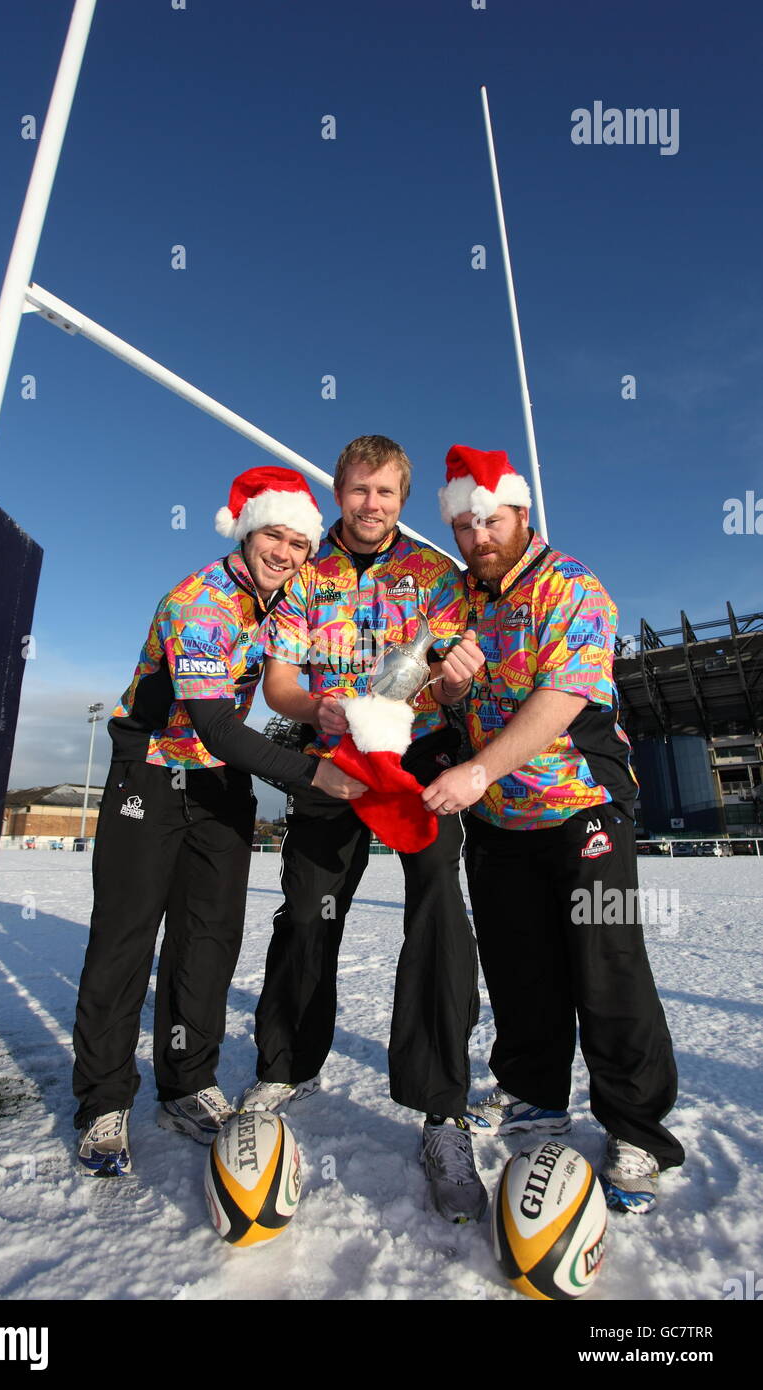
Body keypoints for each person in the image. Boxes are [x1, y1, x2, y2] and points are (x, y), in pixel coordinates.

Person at [73, 467, 364, 1176]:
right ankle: (104, 1101)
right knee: (127, 934)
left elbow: (344, 607)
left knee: (208, 936)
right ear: (246, 530)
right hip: (152, 770)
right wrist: (313, 772)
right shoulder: (200, 602)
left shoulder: (286, 595)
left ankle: (187, 1080)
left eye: (299, 541)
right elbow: (212, 723)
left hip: (218, 782)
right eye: (275, 535)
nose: (288, 551)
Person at [422, 444, 685, 1213]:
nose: (477, 536)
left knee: (607, 965)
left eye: (490, 519)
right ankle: (534, 1093)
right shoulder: (456, 603)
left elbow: (563, 698)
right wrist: (445, 684)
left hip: (581, 809)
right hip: (502, 821)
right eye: (464, 525)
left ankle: (636, 1128)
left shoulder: (572, 586)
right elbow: (421, 693)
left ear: (521, 514)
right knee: (517, 964)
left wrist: (476, 771)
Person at [241, 435, 487, 1223]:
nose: (371, 505)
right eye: (357, 490)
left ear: (402, 499)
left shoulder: (436, 577)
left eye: (385, 492)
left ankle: (442, 1106)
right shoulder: (304, 574)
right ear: (338, 490)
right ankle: (286, 1064)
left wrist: (449, 688)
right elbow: (278, 682)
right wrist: (312, 707)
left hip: (418, 766)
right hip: (331, 765)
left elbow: (448, 688)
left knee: (438, 913)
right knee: (310, 909)